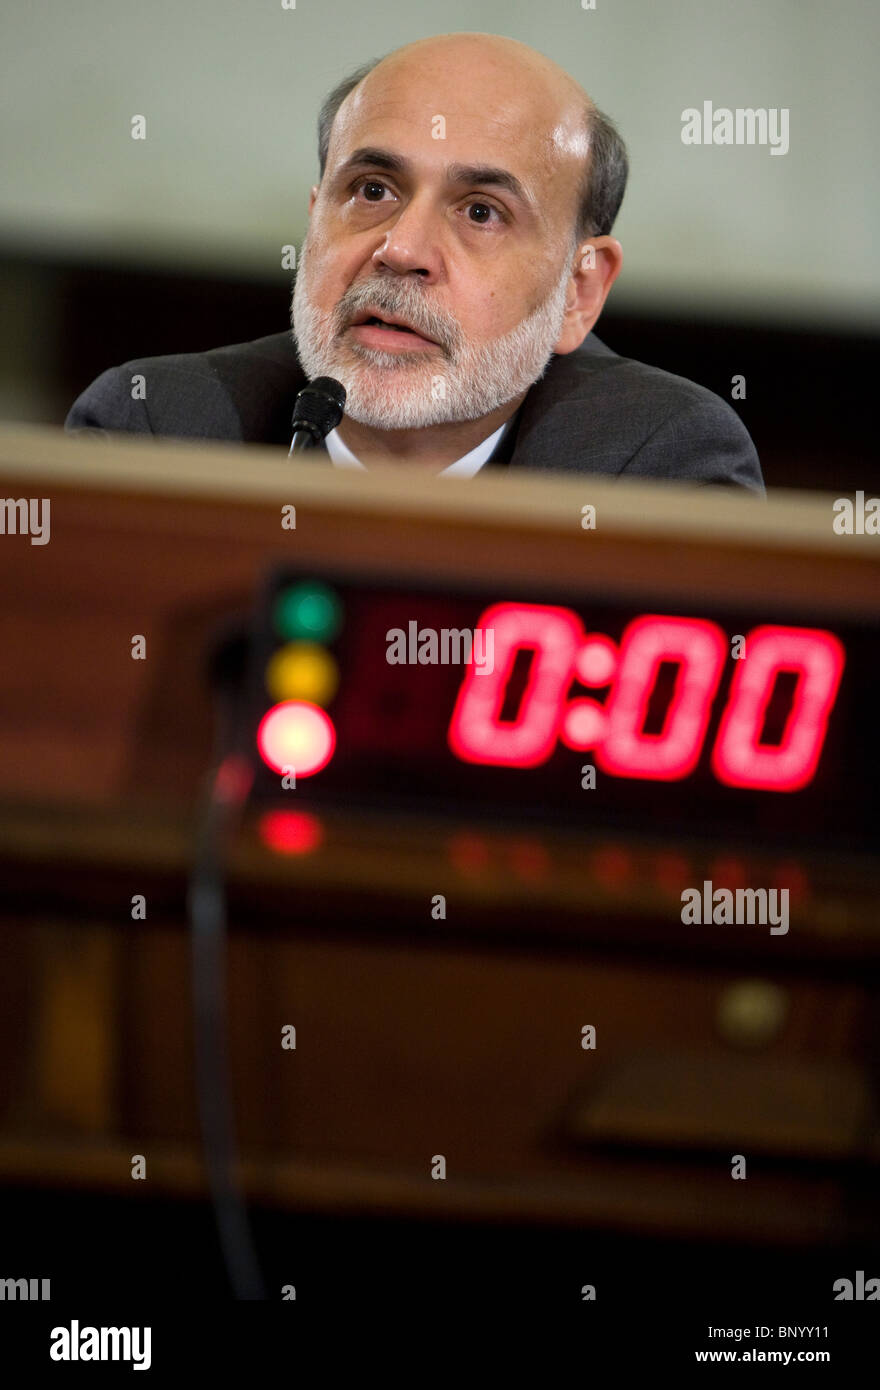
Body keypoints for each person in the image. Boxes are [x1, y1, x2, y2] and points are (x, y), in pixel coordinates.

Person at [66, 32, 764, 493]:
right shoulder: (157, 434)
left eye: (482, 211)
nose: (400, 252)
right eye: (372, 191)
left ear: (580, 292)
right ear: (314, 218)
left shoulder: (654, 467)